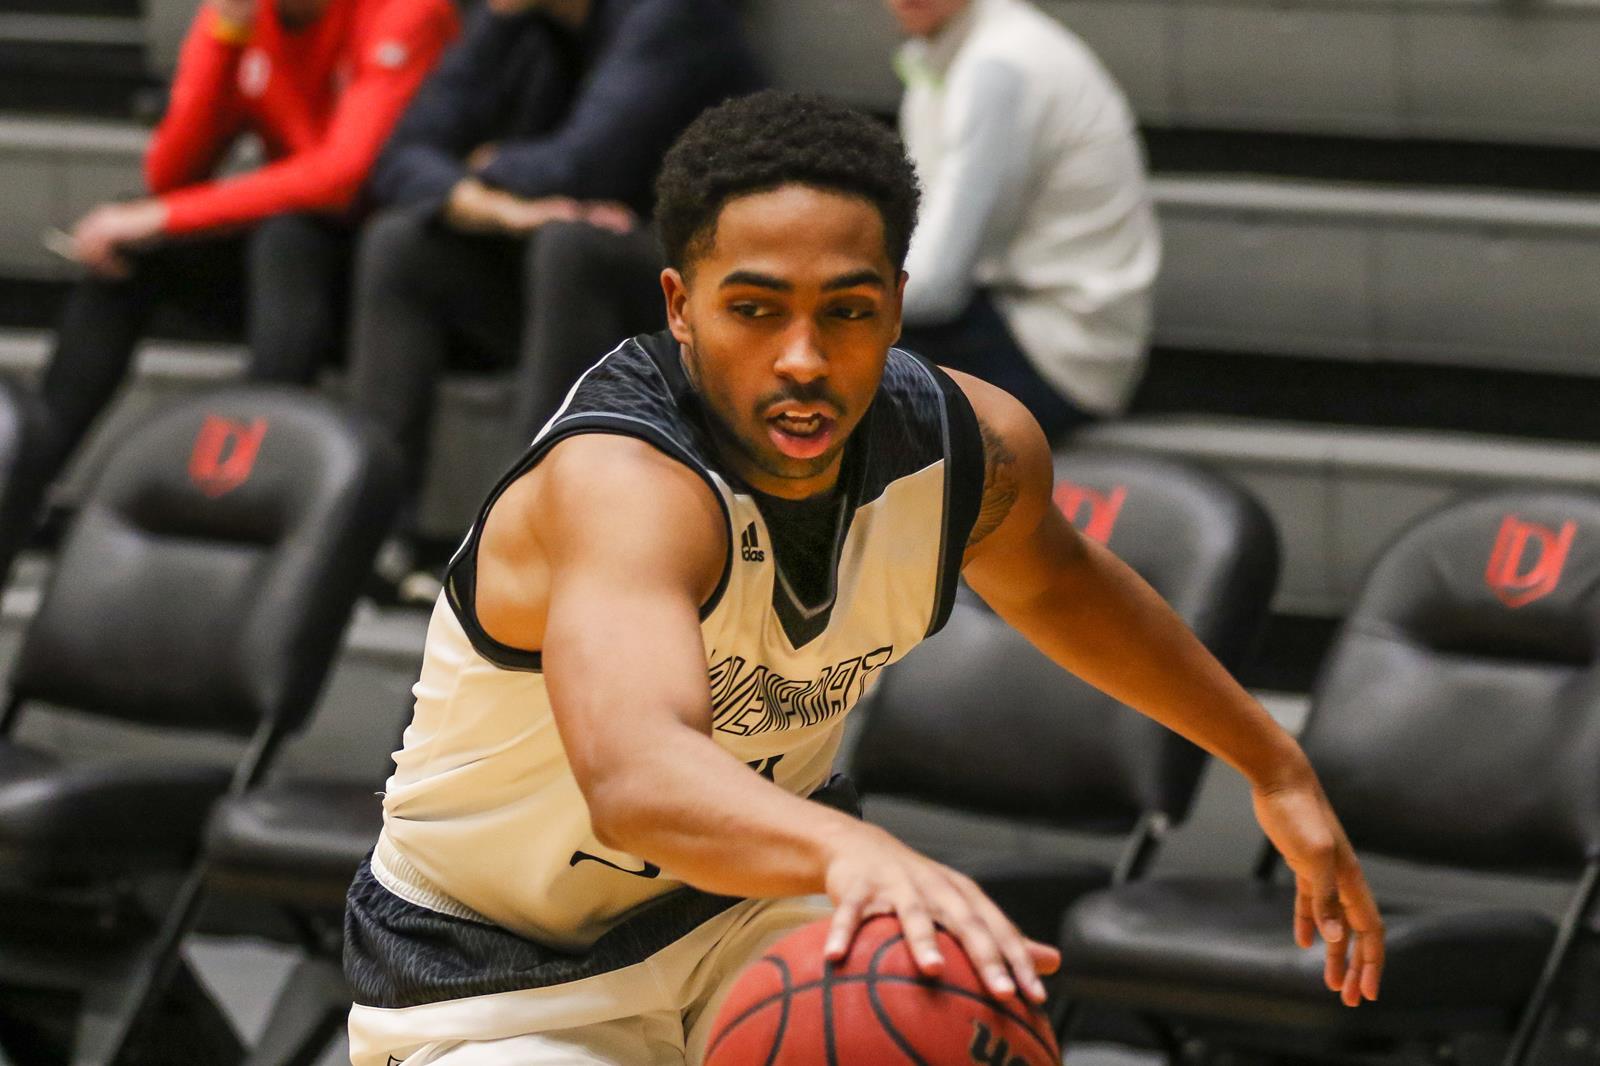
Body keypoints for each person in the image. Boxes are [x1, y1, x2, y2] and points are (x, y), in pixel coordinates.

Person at [342, 91, 1384, 1066]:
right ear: (681, 306)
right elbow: (638, 778)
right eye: (755, 309)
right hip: (493, 960)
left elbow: (1063, 586)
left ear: (894, 304)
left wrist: (1271, 762)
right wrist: (851, 851)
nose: (802, 356)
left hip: (744, 909)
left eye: (844, 311)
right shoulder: (625, 483)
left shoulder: (968, 447)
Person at [32, 0, 458, 519]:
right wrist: (224, 37)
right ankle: (19, 486)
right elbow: (171, 175)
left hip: (409, 280)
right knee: (130, 250)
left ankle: (244, 504)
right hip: (298, 265)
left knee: (287, 238)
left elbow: (342, 178)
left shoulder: (405, 12)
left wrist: (163, 216)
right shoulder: (238, 16)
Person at [346, 0, 763, 527]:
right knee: (402, 244)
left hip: (701, 297)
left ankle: (524, 532)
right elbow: (398, 156)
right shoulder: (513, 22)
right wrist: (488, 205)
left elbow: (584, 166)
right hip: (564, 284)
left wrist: (483, 164)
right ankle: (371, 538)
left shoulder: (676, 15)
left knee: (571, 245)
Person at [887, 0, 1161, 439]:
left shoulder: (997, 66)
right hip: (1015, 318)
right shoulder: (950, 50)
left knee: (833, 362)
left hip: (1058, 362)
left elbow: (938, 286)